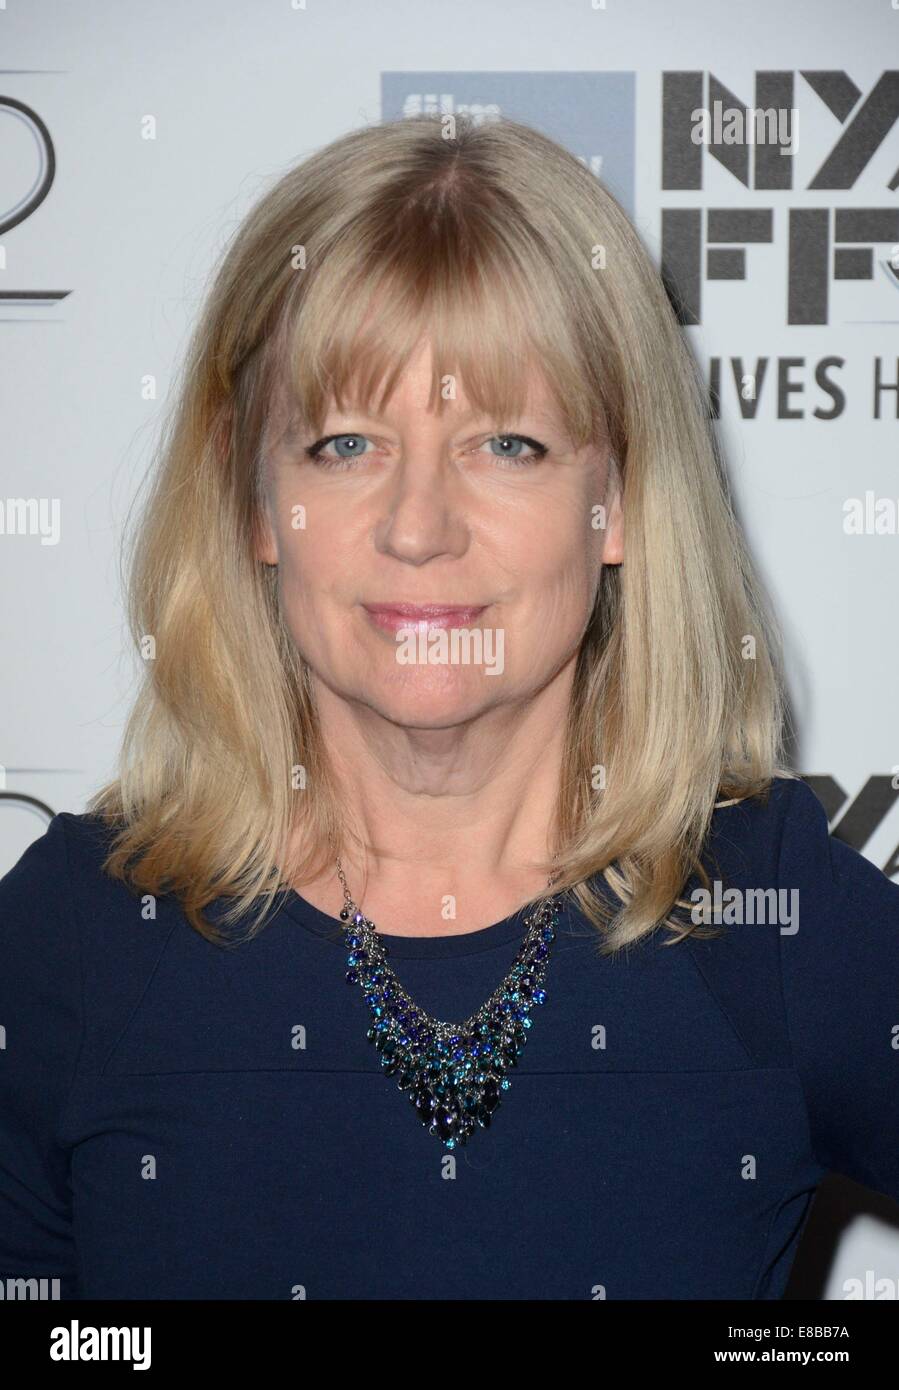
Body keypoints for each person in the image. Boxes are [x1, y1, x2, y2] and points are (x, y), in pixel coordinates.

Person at [1, 113, 897, 1301]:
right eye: (345, 443)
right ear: (255, 501)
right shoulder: (76, 933)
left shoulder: (773, 913)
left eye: (507, 443)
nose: (417, 527)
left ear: (617, 499)